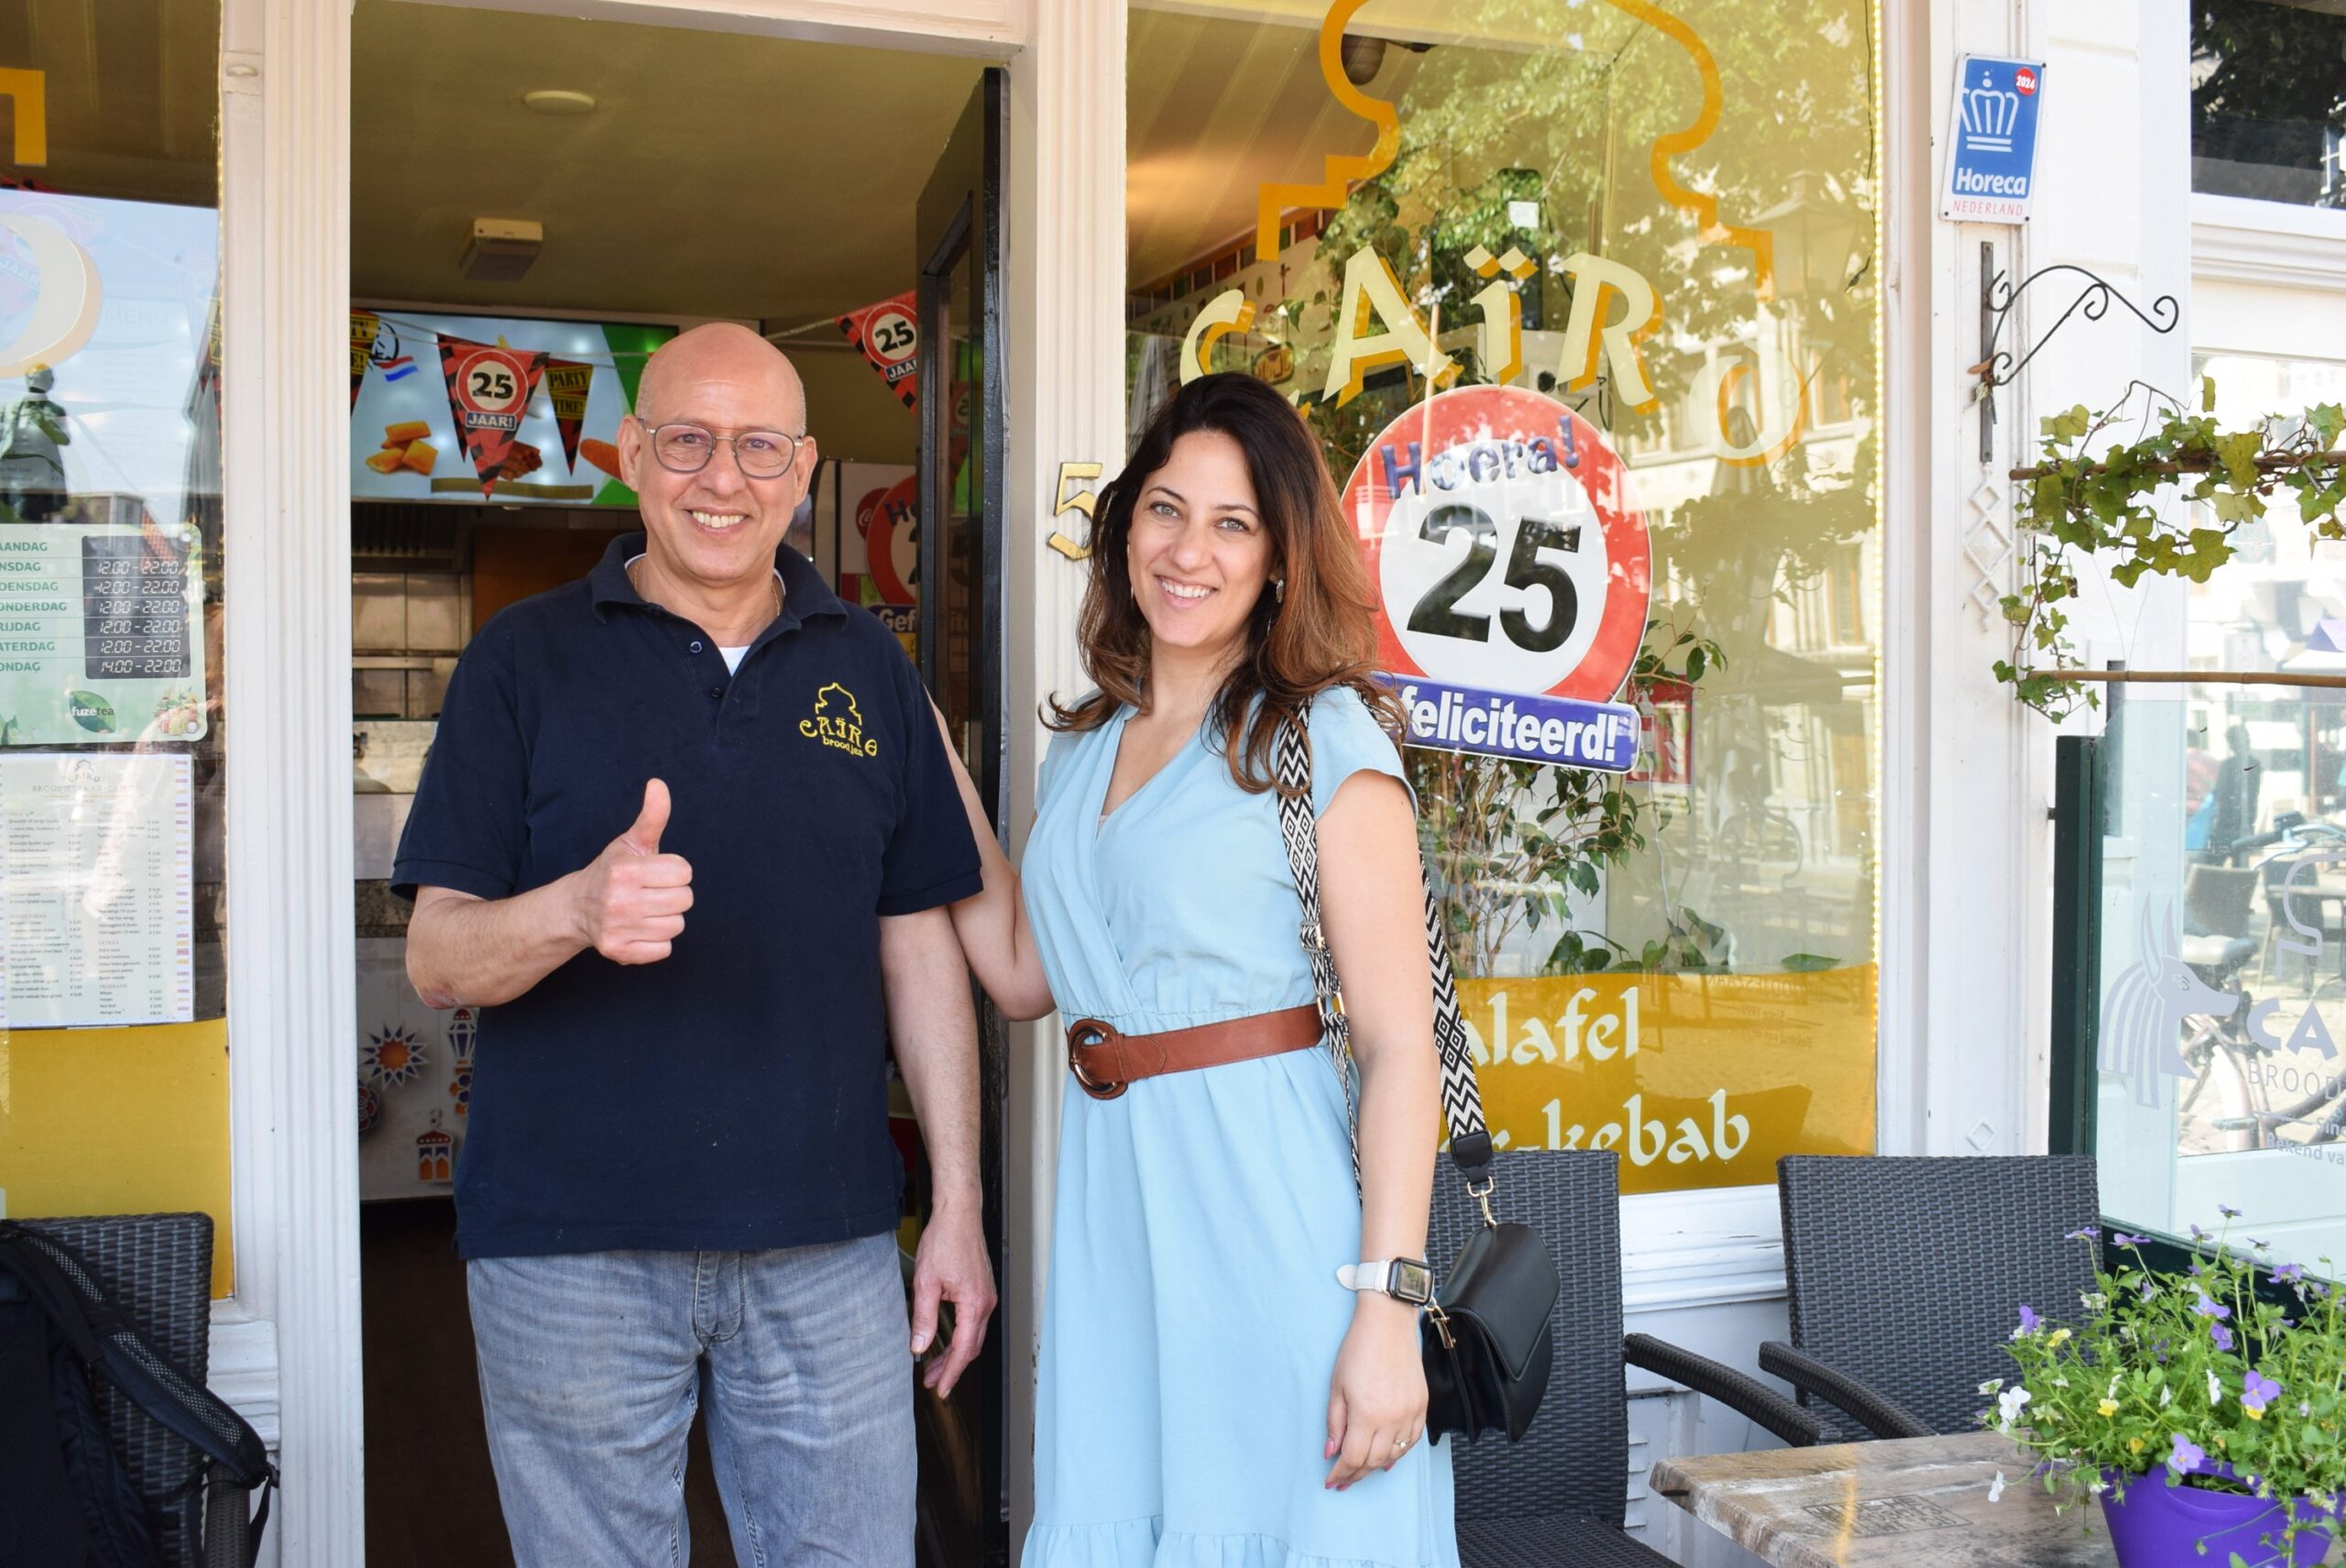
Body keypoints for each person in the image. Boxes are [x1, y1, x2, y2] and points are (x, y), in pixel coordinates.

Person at [394, 323, 993, 1568]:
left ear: (804, 468)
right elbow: (439, 954)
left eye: (759, 446)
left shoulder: (870, 668)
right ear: (629, 454)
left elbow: (921, 948)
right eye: (688, 441)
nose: (725, 478)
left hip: (827, 1247)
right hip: (575, 1251)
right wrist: (572, 909)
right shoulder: (524, 659)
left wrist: (959, 1208)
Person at [936, 372, 1458, 1566]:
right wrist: (928, 761)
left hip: (1275, 1226)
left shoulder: (1322, 741)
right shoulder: (1085, 747)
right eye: (1166, 510)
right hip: (1120, 1224)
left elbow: (1399, 1048)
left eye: (1233, 524)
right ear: (1125, 529)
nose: (1189, 550)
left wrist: (1387, 1307)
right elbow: (1024, 972)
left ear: (1279, 558)